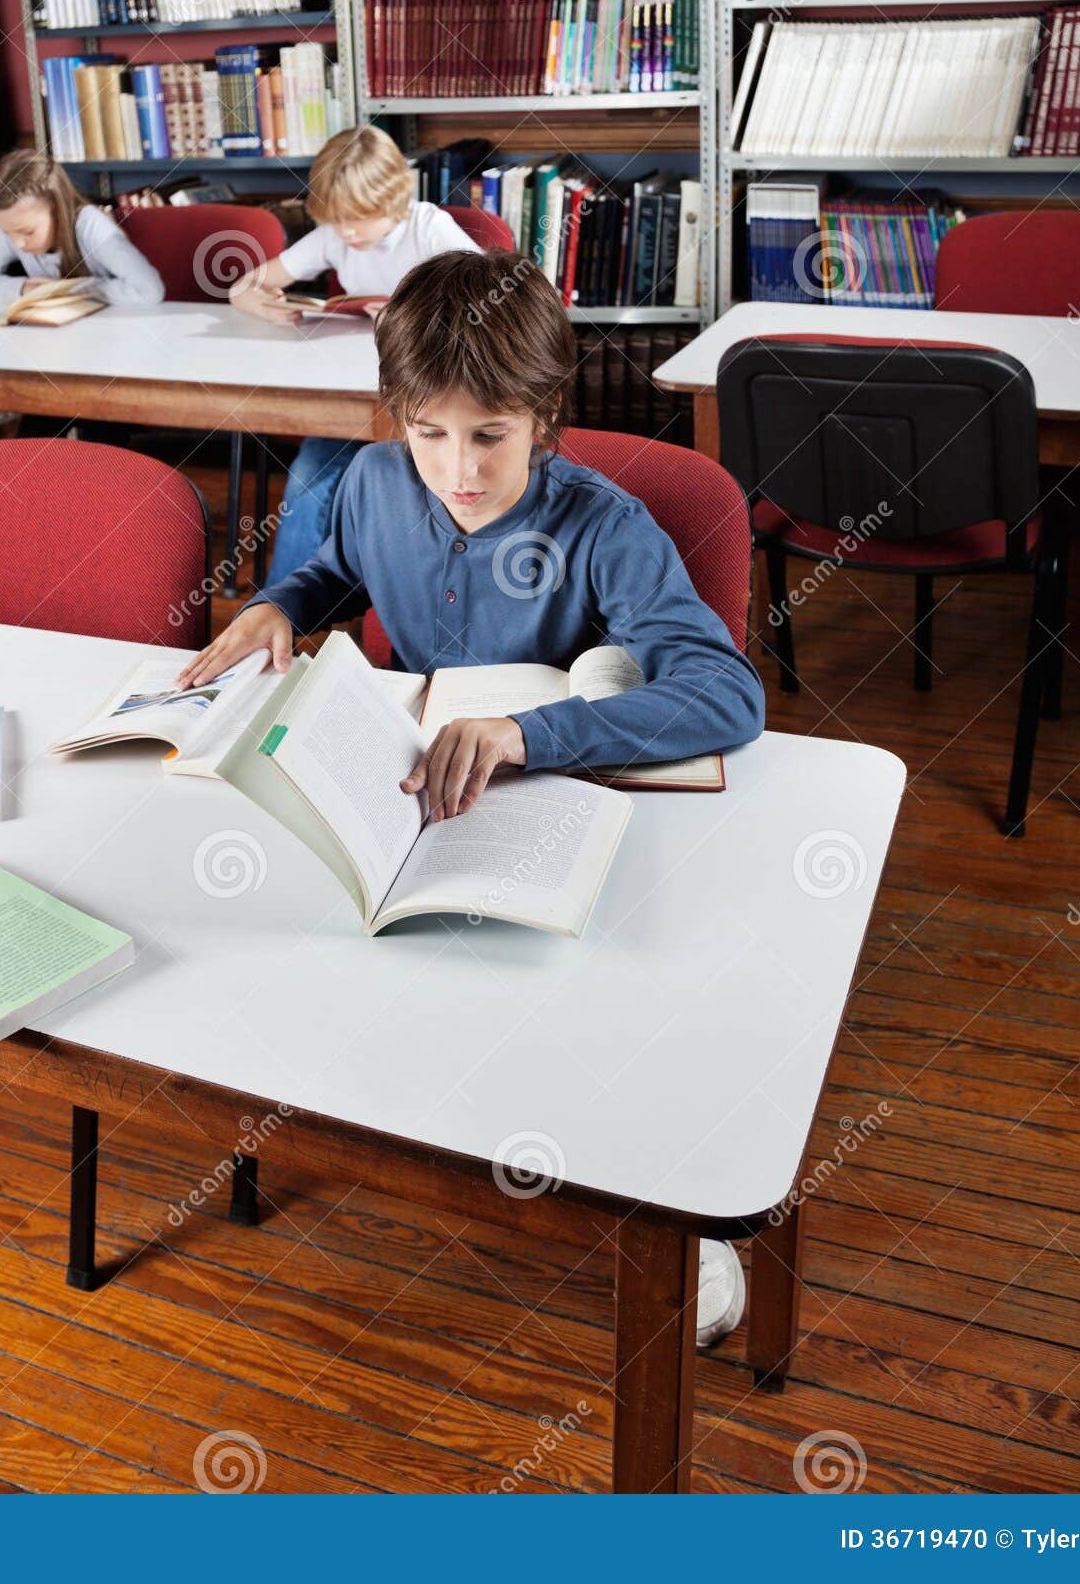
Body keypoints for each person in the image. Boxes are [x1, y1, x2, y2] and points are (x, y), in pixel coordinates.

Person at [183, 248, 765, 1348]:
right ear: (397, 415)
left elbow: (727, 695)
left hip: (556, 809)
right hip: (411, 798)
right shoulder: (370, 482)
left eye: (489, 436)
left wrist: (526, 735)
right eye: (429, 432)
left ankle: (685, 1213)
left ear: (546, 417)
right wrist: (275, 602)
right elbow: (331, 570)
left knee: (617, 990)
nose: (457, 468)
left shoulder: (606, 527)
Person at [229, 126, 482, 583]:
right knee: (310, 473)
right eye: (337, 218)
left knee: (380, 480)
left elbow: (486, 304)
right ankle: (280, 609)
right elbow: (245, 284)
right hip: (357, 390)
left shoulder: (428, 227)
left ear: (392, 198)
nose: (346, 231)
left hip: (434, 395)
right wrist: (250, 298)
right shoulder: (335, 235)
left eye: (359, 217)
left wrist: (409, 317)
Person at [0, 149, 165, 309]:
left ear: (55, 210)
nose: (17, 243)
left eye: (28, 232)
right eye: (7, 232)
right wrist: (23, 288)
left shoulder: (90, 225)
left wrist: (69, 291)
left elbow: (150, 290)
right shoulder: (13, 227)